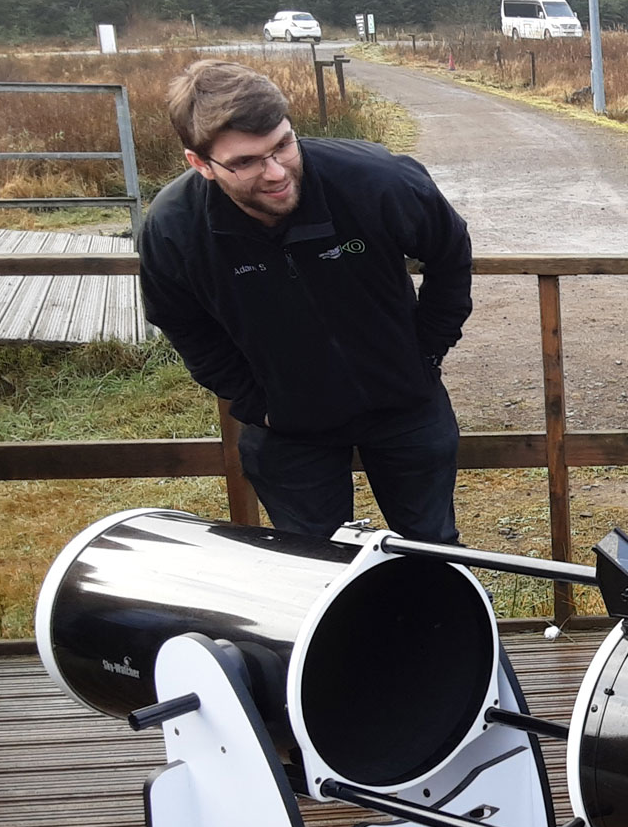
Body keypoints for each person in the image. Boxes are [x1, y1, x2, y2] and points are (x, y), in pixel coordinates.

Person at [138, 59, 473, 543]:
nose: (275, 172)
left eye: (282, 145)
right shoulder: (174, 227)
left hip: (406, 407)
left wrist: (424, 353)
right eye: (247, 161)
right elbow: (178, 319)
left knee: (432, 551)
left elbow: (450, 250)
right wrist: (255, 401)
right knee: (313, 564)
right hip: (287, 429)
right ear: (200, 164)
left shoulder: (375, 180)